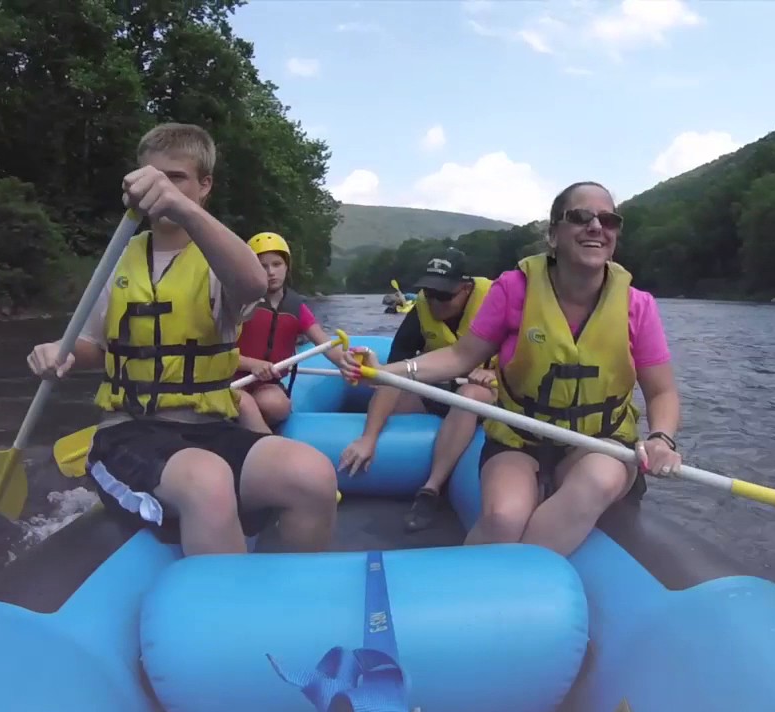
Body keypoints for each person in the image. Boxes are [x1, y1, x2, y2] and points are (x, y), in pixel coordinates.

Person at [25, 123, 338, 557]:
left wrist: (183, 210)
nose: (160, 188)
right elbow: (96, 348)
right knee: (208, 481)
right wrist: (57, 354)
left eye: (175, 178)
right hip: (129, 431)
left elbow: (251, 283)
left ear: (204, 185)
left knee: (313, 473)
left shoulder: (224, 261)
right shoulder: (119, 259)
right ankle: (225, 619)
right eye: (151, 177)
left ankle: (293, 603)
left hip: (210, 427)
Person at [340, 181, 682, 557]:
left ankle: (512, 580)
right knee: (503, 517)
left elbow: (661, 391)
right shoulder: (514, 290)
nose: (596, 227)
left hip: (600, 442)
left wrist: (662, 438)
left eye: (608, 219)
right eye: (580, 217)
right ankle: (479, 583)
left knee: (598, 479)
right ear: (553, 234)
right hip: (522, 437)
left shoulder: (638, 306)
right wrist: (388, 371)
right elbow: (459, 357)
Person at [338, 249, 497, 533]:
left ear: (467, 287)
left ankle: (431, 489)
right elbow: (395, 370)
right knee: (397, 381)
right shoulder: (421, 310)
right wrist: (369, 436)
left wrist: (495, 372)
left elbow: (527, 360)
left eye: (445, 295)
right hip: (440, 388)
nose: (435, 302)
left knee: (469, 396)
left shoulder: (497, 304)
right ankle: (369, 445)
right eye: (430, 292)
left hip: (489, 394)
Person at [233, 231, 344, 433]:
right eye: (262, 266)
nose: (271, 272)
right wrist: (253, 364)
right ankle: (264, 445)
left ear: (287, 267)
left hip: (267, 384)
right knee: (242, 403)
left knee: (277, 405)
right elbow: (214, 352)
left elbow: (324, 343)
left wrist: (347, 363)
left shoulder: (296, 307)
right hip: (231, 380)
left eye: (277, 264)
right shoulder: (237, 303)